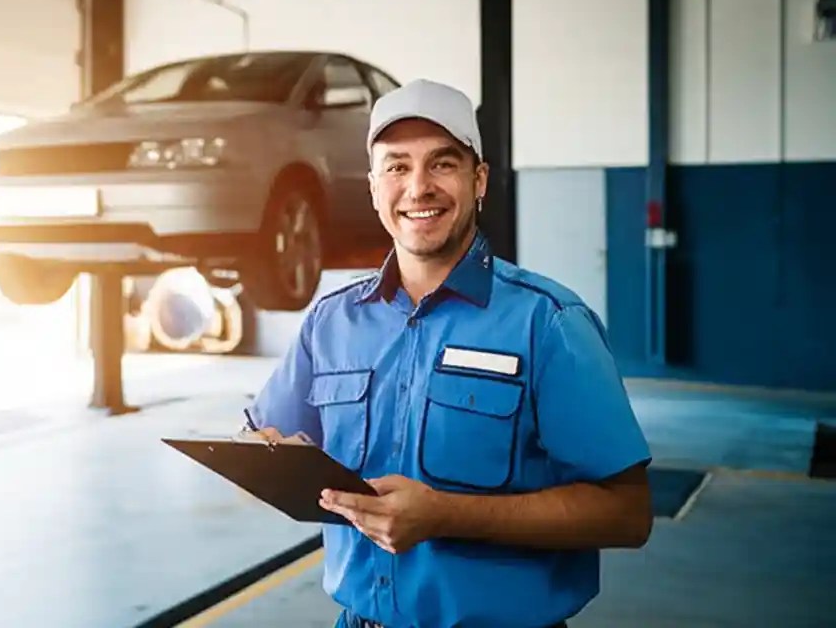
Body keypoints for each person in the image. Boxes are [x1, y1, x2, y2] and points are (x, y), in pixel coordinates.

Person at [244, 79, 653, 628]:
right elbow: (267, 439)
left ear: (478, 180)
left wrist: (447, 515)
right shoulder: (331, 321)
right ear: (373, 187)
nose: (418, 187)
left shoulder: (548, 322)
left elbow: (627, 514)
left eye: (442, 164)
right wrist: (263, 453)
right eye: (396, 166)